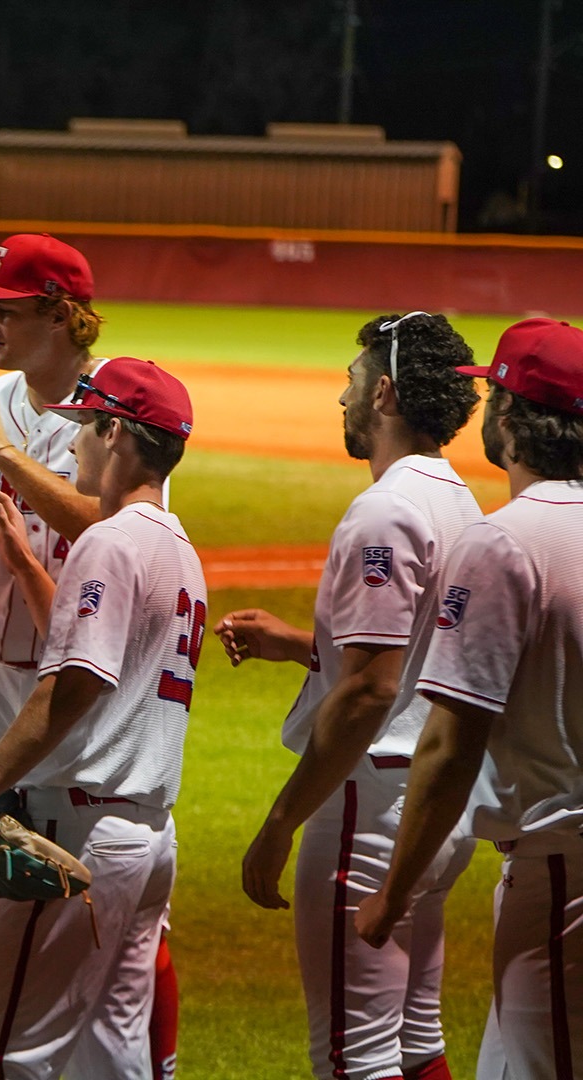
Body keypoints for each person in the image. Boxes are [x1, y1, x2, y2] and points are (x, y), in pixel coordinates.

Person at [0, 233, 185, 1070]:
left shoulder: (119, 416)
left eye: (9, 310)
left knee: (113, 909)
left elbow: (107, 528)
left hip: (79, 684)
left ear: (63, 315)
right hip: (1, 674)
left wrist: (4, 451)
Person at [214, 312, 481, 1080]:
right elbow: (428, 655)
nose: (342, 393)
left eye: (354, 378)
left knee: (353, 1057)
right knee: (416, 1038)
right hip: (437, 799)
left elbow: (370, 690)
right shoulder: (461, 501)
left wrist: (280, 820)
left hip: (371, 803)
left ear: (387, 394)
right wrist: (304, 645)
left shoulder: (387, 510)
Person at [357, 318, 583, 1079]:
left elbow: (451, 743)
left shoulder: (506, 543)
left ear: (513, 419)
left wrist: (393, 893)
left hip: (559, 872)